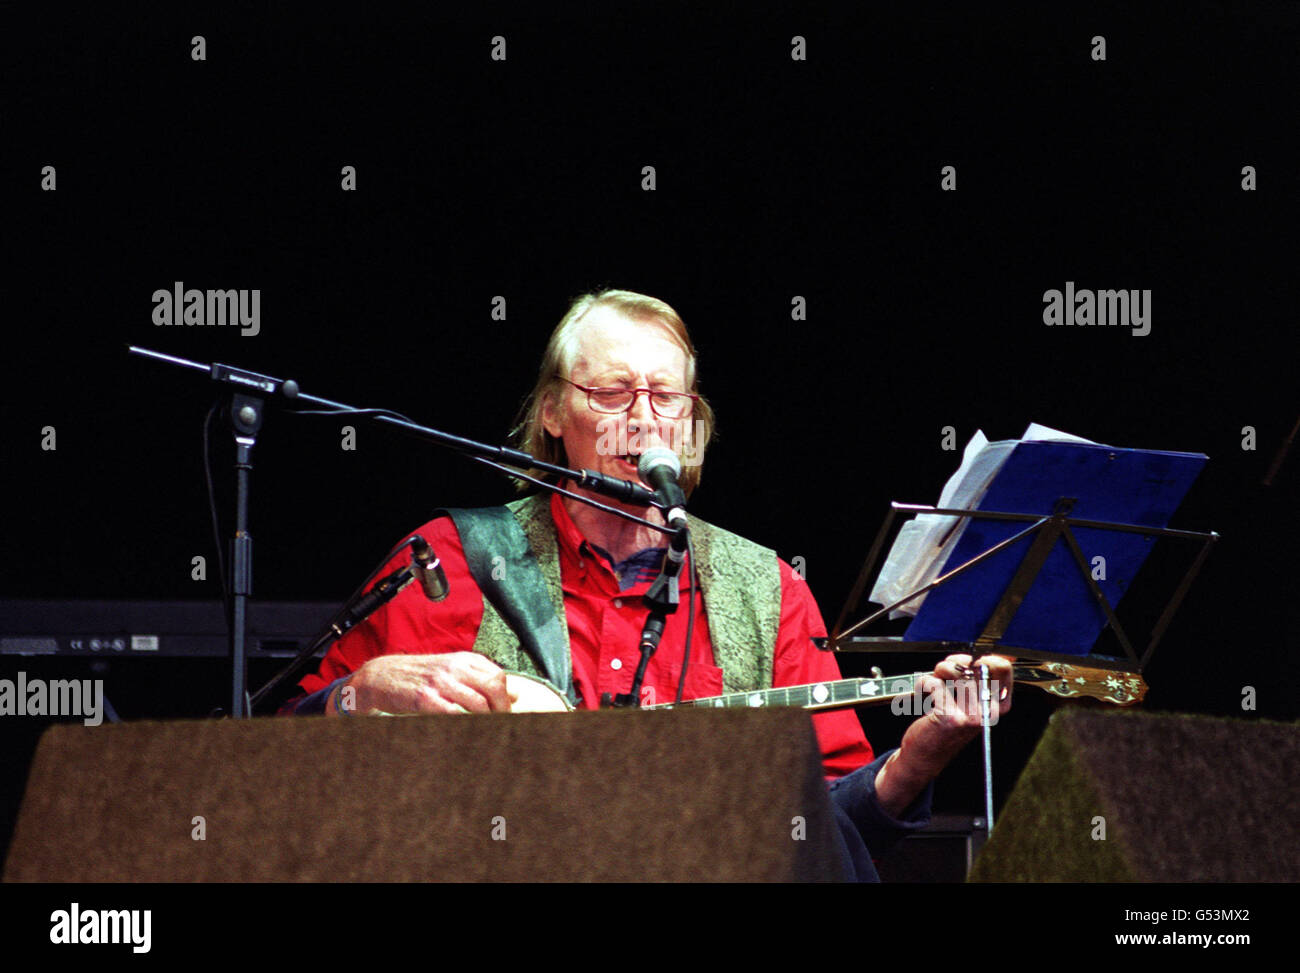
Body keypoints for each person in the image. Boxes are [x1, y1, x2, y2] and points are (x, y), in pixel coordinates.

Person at [283, 288, 1013, 880]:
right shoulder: (451, 558)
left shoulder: (769, 589)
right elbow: (276, 766)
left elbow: (828, 832)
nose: (643, 420)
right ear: (550, 413)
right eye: (611, 393)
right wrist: (360, 691)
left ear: (692, 428)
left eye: (667, 399)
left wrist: (926, 746)